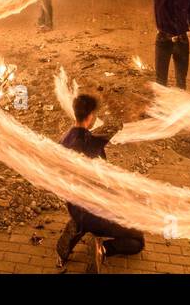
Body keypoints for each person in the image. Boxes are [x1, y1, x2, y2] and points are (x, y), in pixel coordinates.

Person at [55, 93, 145, 272]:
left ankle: (78, 225)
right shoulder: (90, 144)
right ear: (90, 117)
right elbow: (111, 129)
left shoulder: (66, 139)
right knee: (137, 240)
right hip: (95, 208)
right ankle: (101, 249)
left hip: (75, 204)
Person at [152, 0, 190, 88]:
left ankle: (180, 106)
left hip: (181, 42)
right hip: (163, 41)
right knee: (160, 81)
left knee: (181, 81)